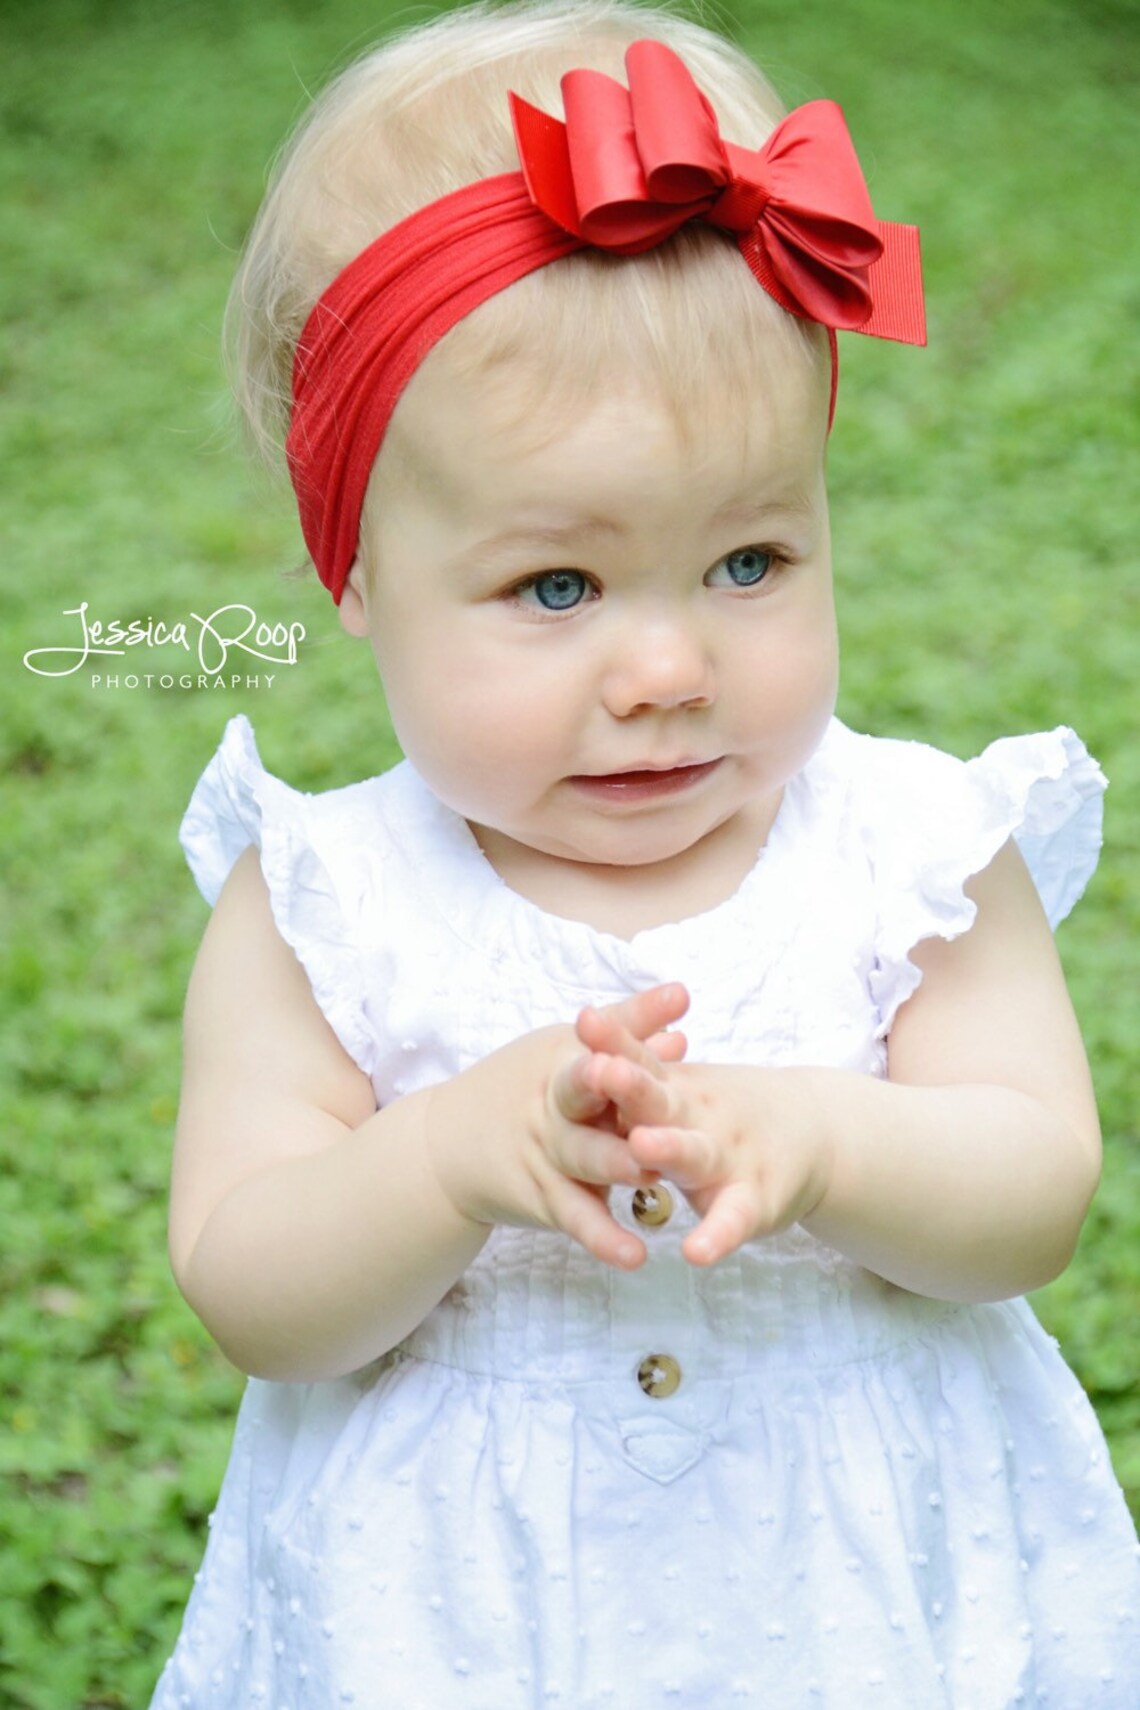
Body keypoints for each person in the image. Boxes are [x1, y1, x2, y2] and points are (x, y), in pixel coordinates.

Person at [151, 2, 1140, 1704]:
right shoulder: (319, 902)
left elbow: (1033, 1190)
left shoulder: (913, 853)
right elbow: (254, 1283)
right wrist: (449, 1159)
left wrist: (829, 1137)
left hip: (860, 1595)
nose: (671, 669)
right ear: (360, 577)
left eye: (751, 560)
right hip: (452, 1617)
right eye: (557, 587)